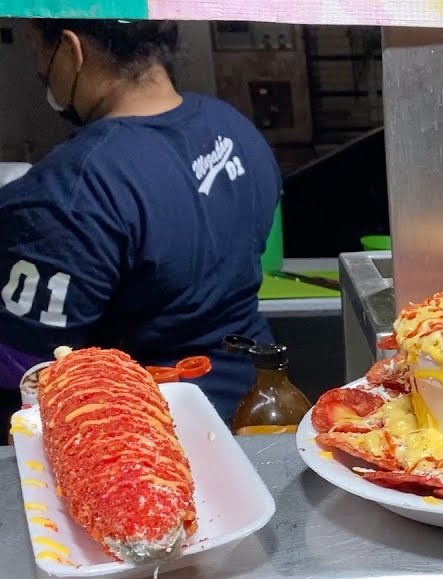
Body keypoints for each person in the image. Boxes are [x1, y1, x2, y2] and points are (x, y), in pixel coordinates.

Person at [0, 20, 279, 422]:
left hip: (150, 432)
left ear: (71, 50)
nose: (38, 65)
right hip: (259, 401)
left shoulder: (73, 188)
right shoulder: (232, 125)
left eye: (35, 46)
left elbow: (23, 367)